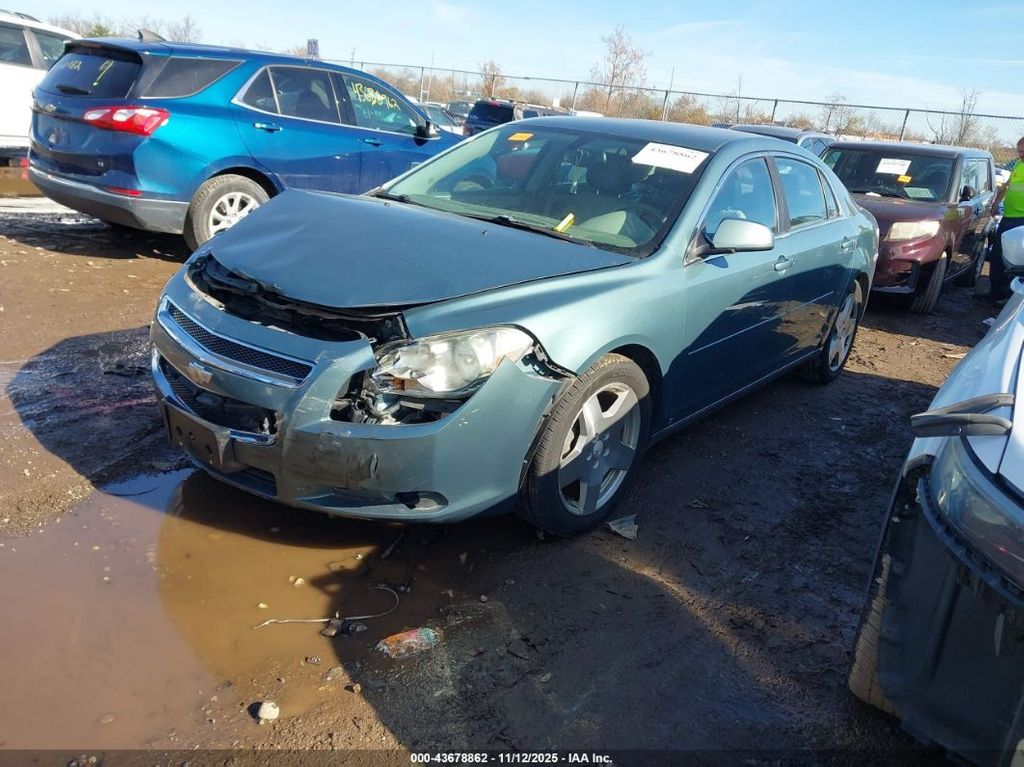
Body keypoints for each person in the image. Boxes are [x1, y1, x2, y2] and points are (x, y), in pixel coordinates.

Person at [985, 137, 1024, 302]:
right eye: (1019, 150)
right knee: (997, 254)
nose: (1020, 154)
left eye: (1023, 151)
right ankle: (996, 293)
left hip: (1021, 220)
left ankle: (1009, 297)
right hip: (1009, 217)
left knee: (1014, 260)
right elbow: (1007, 186)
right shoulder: (1018, 164)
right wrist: (995, 205)